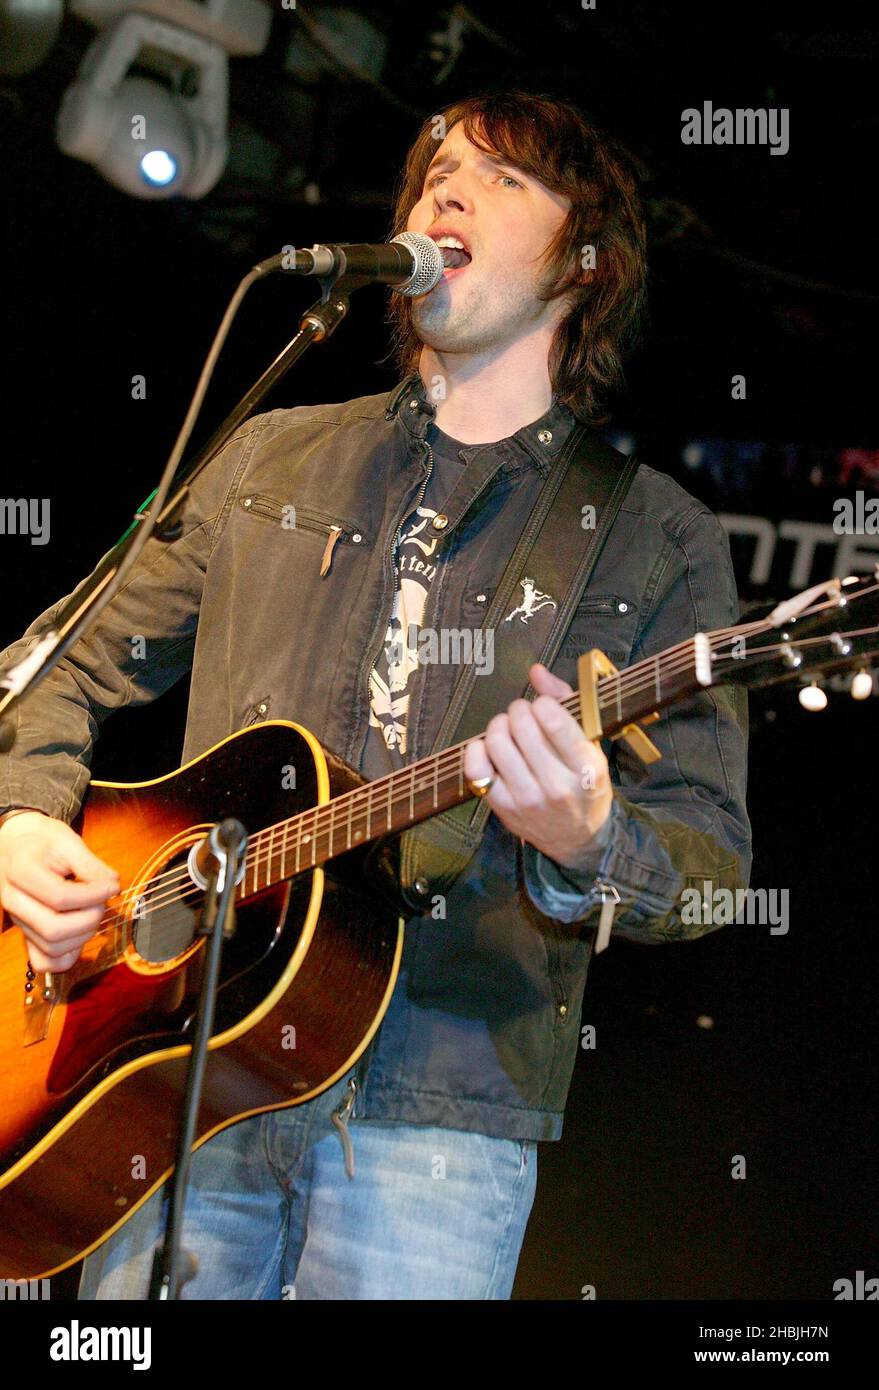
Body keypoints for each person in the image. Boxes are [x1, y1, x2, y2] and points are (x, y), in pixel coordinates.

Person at [0, 91, 751, 1300]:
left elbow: (713, 863)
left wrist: (588, 839)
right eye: (433, 169)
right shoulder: (271, 454)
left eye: (501, 178)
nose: (443, 187)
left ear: (586, 263)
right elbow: (55, 662)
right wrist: (22, 816)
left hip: (443, 1109)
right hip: (187, 1078)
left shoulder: (655, 537)